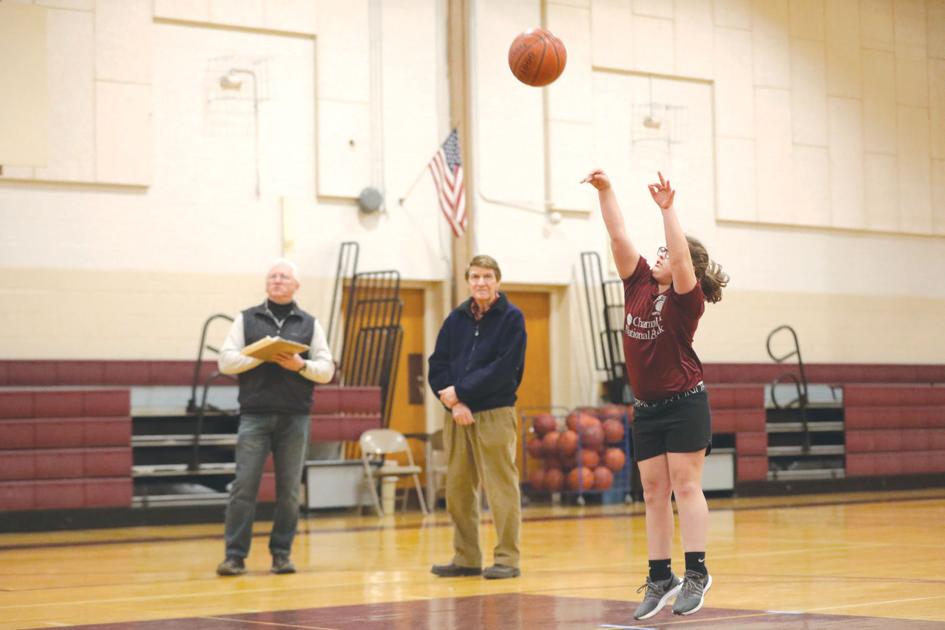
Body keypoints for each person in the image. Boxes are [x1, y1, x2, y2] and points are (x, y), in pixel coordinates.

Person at [582, 169, 729, 618]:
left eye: (669, 251)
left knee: (686, 486)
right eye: (660, 249)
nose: (661, 254)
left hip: (685, 402)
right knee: (651, 492)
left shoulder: (688, 298)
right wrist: (607, 192)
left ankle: (698, 573)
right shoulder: (639, 283)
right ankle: (661, 575)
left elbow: (683, 260)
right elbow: (618, 234)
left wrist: (668, 210)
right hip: (646, 409)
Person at [215, 259, 334, 576]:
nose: (277, 280)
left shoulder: (310, 323)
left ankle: (282, 554)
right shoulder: (246, 318)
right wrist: (259, 355)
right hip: (254, 416)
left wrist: (300, 366)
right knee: (243, 488)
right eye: (273, 276)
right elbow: (225, 362)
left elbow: (327, 369)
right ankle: (235, 556)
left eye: (284, 277)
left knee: (290, 491)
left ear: (297, 285)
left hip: (295, 417)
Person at [427, 255, 527, 580]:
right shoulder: (456, 318)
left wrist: (463, 393)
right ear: (468, 281)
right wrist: (453, 402)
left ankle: (507, 559)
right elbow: (437, 364)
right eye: (474, 277)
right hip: (456, 414)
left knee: (500, 489)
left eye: (487, 276)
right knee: (457, 490)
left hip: (495, 413)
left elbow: (504, 368)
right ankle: (466, 557)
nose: (480, 283)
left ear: (497, 280)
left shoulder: (512, 318)